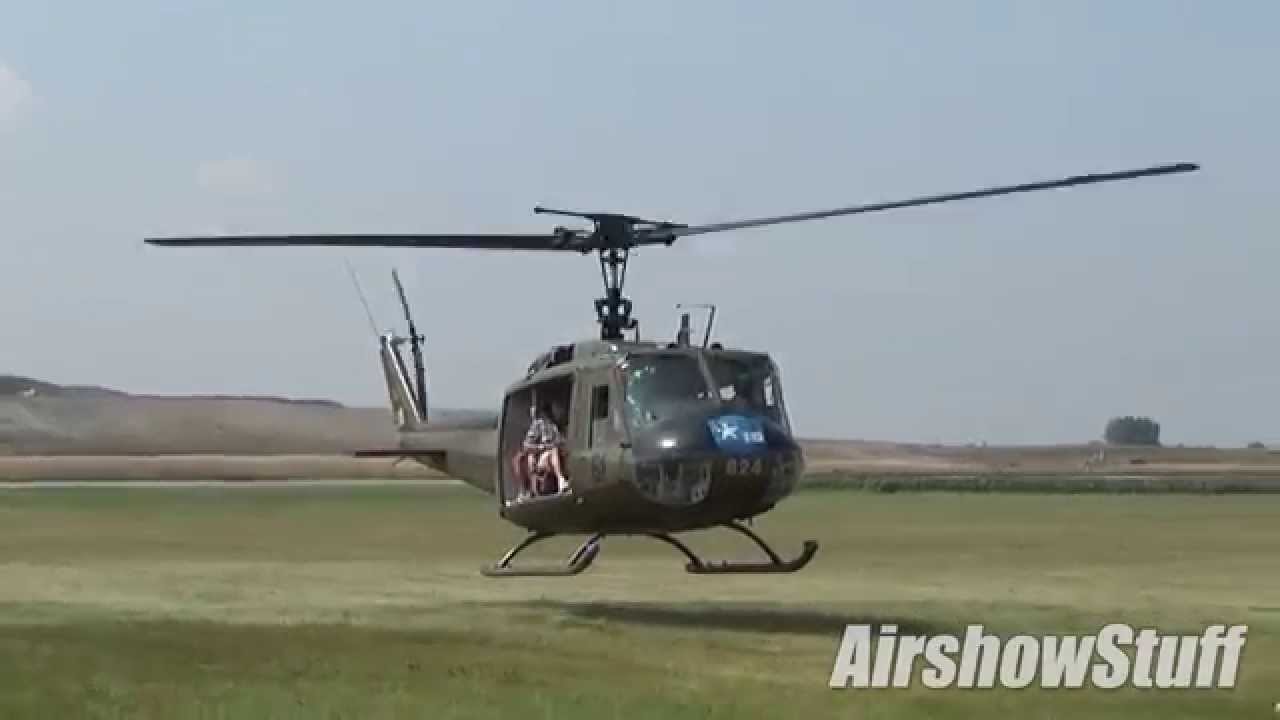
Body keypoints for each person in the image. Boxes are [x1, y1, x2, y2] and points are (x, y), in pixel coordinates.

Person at [522, 400, 569, 494]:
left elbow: (562, 441)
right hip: (542, 456)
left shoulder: (556, 426)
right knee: (553, 451)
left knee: (558, 451)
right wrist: (541, 448)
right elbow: (526, 445)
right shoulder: (538, 425)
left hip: (558, 454)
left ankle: (565, 481)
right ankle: (560, 479)